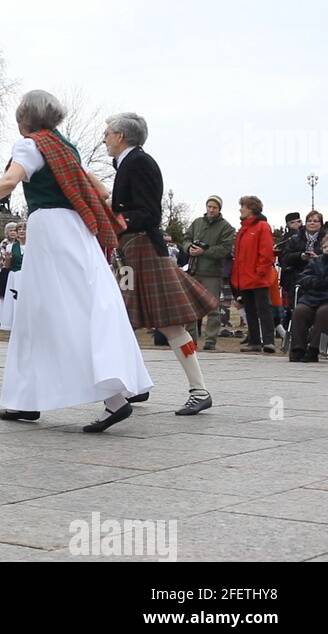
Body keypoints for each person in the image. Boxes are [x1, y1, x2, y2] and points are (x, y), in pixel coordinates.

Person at [0, 90, 153, 433]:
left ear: (26, 119)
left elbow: (9, 181)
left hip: (50, 232)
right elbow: (99, 190)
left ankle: (110, 399)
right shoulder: (65, 146)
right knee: (66, 311)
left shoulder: (30, 145)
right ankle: (26, 400)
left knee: (52, 314)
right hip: (78, 231)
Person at [103, 112, 217, 416]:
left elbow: (151, 214)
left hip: (143, 251)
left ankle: (199, 390)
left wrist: (115, 220)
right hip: (131, 252)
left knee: (168, 323)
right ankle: (135, 386)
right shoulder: (129, 162)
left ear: (121, 136)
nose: (104, 138)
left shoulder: (138, 162)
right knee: (122, 318)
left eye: (107, 132)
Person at [184, 195, 236, 350]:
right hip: (194, 270)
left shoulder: (226, 227)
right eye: (209, 206)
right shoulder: (197, 223)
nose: (211, 209)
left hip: (212, 273)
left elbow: (225, 249)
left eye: (214, 207)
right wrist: (189, 248)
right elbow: (186, 238)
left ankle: (210, 341)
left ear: (219, 209)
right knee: (190, 307)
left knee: (213, 308)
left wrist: (204, 251)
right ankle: (191, 339)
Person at [232, 195, 277, 353]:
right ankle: (255, 341)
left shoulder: (262, 226)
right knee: (250, 310)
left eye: (243, 206)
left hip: (258, 278)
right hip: (244, 278)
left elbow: (266, 252)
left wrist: (260, 272)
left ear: (251, 208)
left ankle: (269, 341)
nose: (240, 209)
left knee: (263, 309)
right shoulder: (243, 229)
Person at [290, 235, 328, 363]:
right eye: (325, 246)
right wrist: (318, 282)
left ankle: (314, 349)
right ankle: (298, 348)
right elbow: (303, 278)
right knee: (300, 311)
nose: (327, 249)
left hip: (326, 299)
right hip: (312, 297)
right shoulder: (316, 262)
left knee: (323, 313)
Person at [0, 221, 27, 332]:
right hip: (14, 276)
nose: (21, 231)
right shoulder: (10, 247)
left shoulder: (32, 245)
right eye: (19, 229)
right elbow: (7, 266)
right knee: (14, 299)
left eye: (24, 229)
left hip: (26, 275)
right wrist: (8, 258)